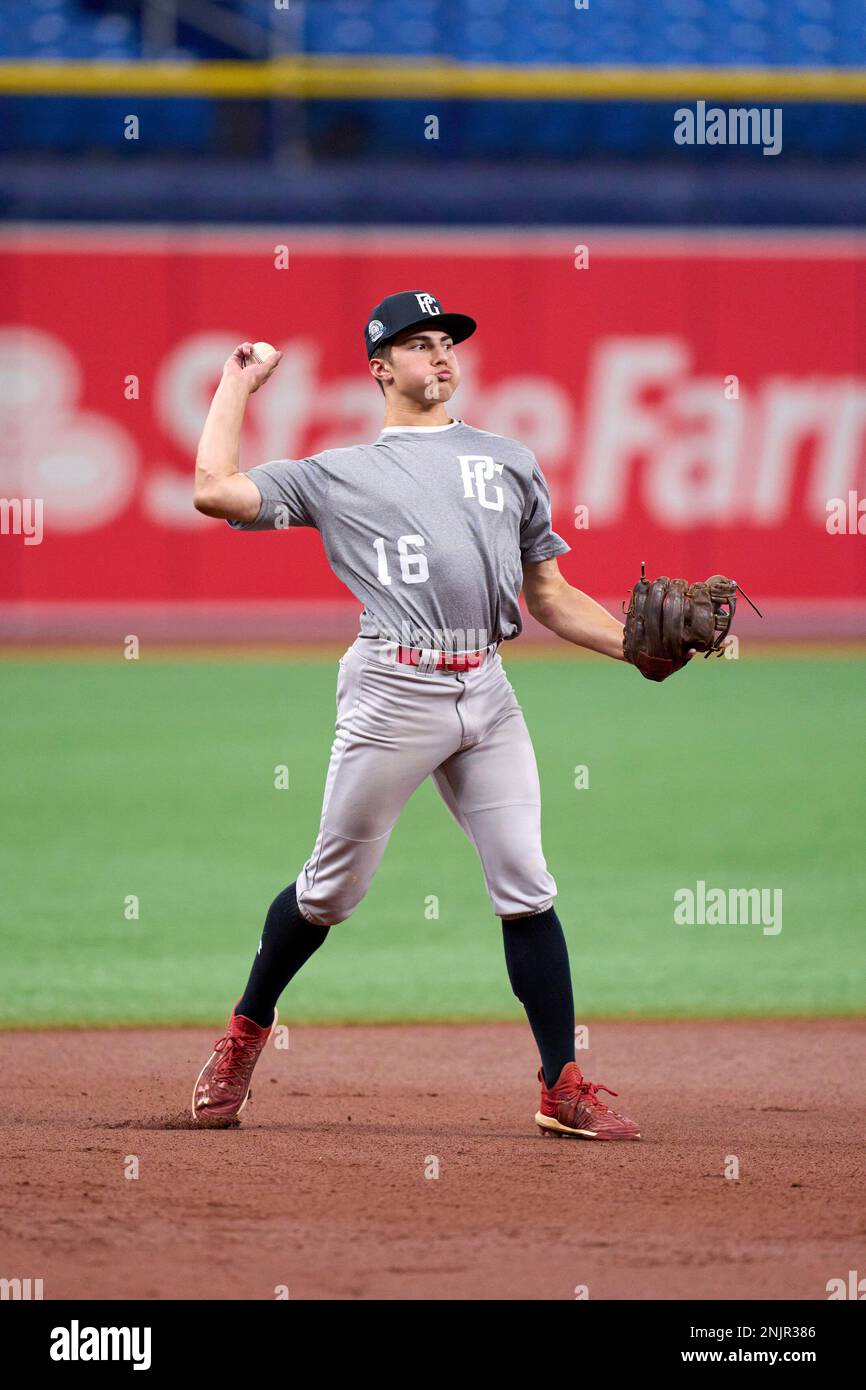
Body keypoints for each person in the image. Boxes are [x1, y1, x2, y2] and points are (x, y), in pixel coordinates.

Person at [190, 290, 640, 1141]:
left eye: (447, 342)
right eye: (419, 343)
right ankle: (246, 1031)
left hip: (490, 692)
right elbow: (214, 491)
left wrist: (634, 649)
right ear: (379, 368)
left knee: (526, 882)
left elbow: (548, 594)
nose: (441, 355)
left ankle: (561, 1084)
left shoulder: (509, 459)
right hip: (393, 692)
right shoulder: (340, 472)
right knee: (330, 893)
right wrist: (238, 385)